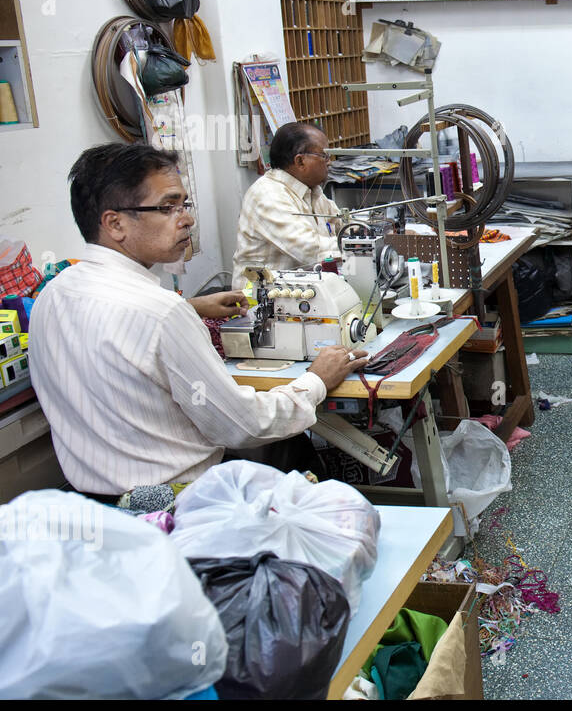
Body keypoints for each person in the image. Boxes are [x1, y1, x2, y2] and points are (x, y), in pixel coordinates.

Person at [28, 142, 368, 496]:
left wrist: (190, 305)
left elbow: (118, 327)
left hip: (95, 499)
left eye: (184, 204)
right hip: (181, 504)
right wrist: (315, 381)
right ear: (115, 223)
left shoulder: (54, 293)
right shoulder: (161, 314)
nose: (187, 218)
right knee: (297, 453)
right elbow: (243, 425)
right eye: (167, 207)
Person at [231, 121, 341, 289]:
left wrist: (364, 231)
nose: (329, 162)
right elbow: (309, 250)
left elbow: (342, 223)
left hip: (305, 294)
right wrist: (358, 247)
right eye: (324, 156)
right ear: (300, 161)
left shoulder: (312, 191)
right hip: (263, 302)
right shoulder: (267, 194)